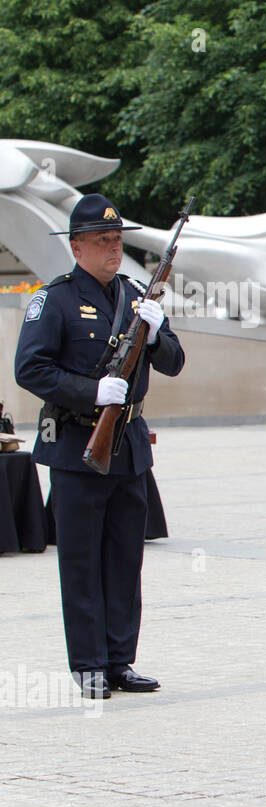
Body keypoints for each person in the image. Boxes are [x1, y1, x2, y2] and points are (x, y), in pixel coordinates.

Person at [13, 193, 185, 698]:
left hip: (127, 445)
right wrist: (91, 391)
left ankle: (118, 660)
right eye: (103, 241)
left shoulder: (138, 296)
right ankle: (88, 663)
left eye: (117, 240)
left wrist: (155, 336)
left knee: (125, 559)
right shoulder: (55, 299)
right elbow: (30, 368)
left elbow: (174, 362)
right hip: (77, 445)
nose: (114, 248)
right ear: (77, 247)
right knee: (82, 560)